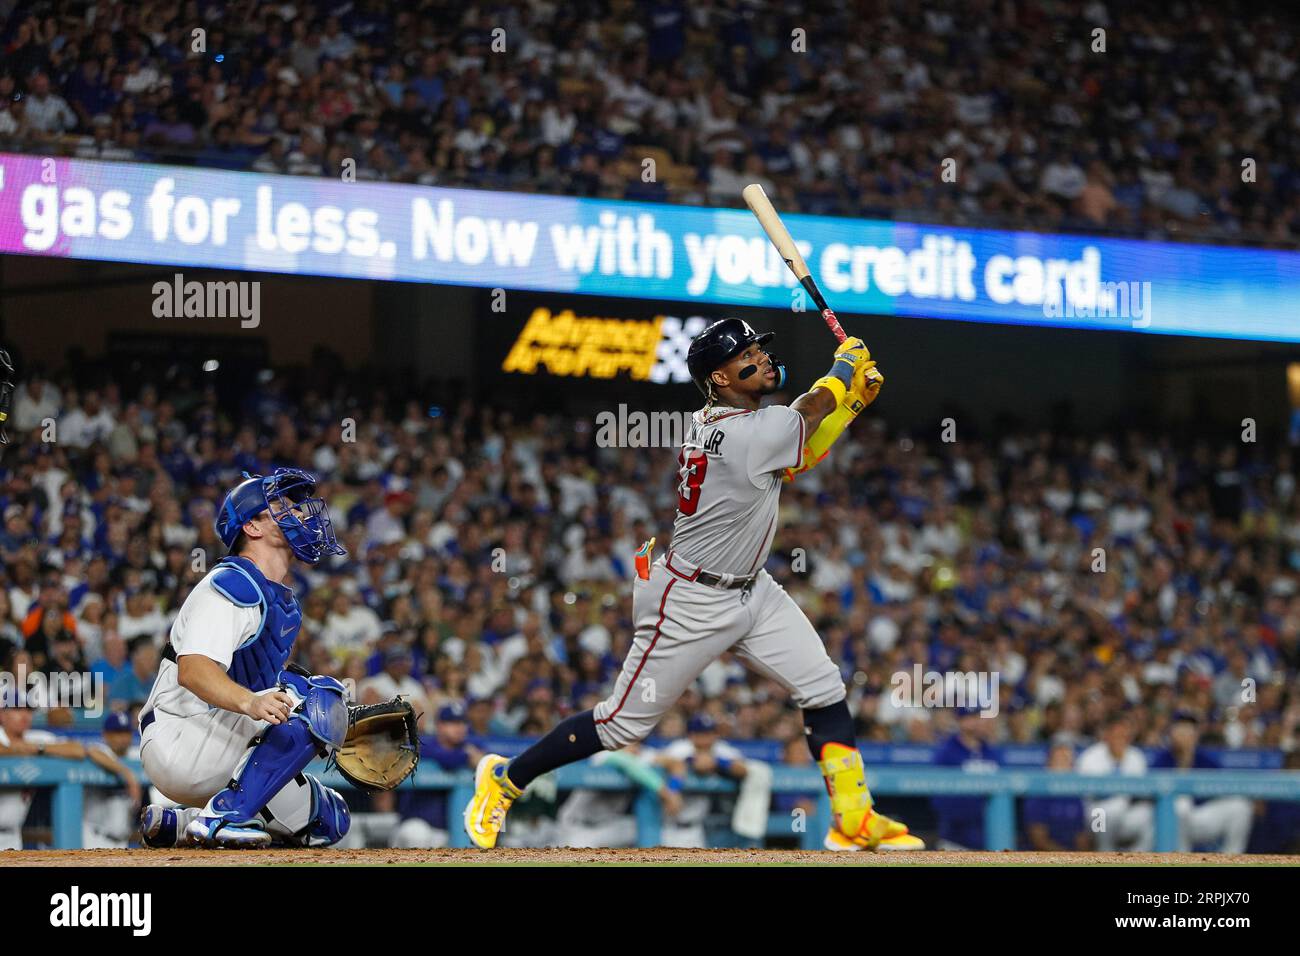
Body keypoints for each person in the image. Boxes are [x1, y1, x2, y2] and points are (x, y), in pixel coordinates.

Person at [464, 319, 923, 851]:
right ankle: (507, 777)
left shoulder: (737, 425)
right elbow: (809, 410)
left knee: (823, 687)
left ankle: (853, 818)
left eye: (759, 348)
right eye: (746, 354)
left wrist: (851, 403)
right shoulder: (746, 431)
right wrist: (846, 366)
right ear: (721, 379)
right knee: (619, 726)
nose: (761, 358)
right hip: (690, 599)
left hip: (753, 589)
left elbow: (799, 454)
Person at [136, 468, 353, 848]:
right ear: (252, 526)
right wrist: (253, 702)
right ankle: (224, 816)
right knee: (319, 697)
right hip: (182, 736)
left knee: (328, 821)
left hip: (216, 736)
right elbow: (194, 671)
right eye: (283, 507)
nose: (301, 515)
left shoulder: (279, 600)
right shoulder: (231, 584)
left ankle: (181, 822)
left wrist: (344, 729)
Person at [1150, 712, 1253, 853]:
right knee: (1181, 805)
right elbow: (1151, 791)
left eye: (1189, 731)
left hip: (1203, 814)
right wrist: (1184, 759)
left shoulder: (1204, 759)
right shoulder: (1163, 759)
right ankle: (1182, 861)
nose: (1185, 736)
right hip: (1173, 821)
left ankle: (1232, 859)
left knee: (1240, 806)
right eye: (1181, 731)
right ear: (1172, 734)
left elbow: (1225, 786)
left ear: (1195, 735)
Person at [1076, 711, 1154, 852]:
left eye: (1124, 734)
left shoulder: (1136, 756)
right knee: (1113, 808)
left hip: (1126, 816)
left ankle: (1136, 858)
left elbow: (1142, 794)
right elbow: (1087, 795)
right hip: (1096, 818)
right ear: (1107, 735)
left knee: (1153, 815)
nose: (1121, 738)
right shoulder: (1090, 757)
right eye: (1117, 733)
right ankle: (1105, 856)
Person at [931, 707, 999, 850]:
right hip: (955, 838)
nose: (975, 722)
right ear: (960, 721)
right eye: (970, 718)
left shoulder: (991, 752)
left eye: (978, 717)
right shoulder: (947, 752)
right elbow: (937, 796)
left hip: (989, 837)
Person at [82, 711, 144, 849]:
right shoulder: (102, 750)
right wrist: (126, 773)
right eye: (117, 732)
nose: (122, 738)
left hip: (122, 840)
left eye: (126, 732)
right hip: (93, 837)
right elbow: (91, 750)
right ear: (106, 735)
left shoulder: (135, 755)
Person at [1021, 740, 1091, 852]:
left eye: (1066, 761)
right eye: (1058, 760)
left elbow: (1081, 837)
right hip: (1041, 858)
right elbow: (1039, 840)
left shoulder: (1075, 796)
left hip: (1072, 857)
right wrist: (1067, 858)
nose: (1062, 766)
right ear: (1048, 764)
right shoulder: (1038, 794)